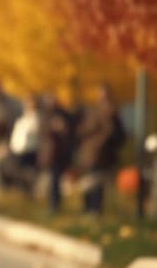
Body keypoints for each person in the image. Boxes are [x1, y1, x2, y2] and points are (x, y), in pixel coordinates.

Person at [78, 84, 126, 214]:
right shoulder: (94, 109)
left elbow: (110, 131)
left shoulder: (110, 111)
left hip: (100, 153)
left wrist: (99, 143)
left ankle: (94, 209)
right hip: (90, 153)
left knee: (96, 182)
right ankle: (88, 208)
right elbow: (84, 129)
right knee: (88, 181)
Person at [38, 96, 78, 213]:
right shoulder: (45, 115)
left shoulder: (64, 115)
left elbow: (70, 131)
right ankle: (53, 206)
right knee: (53, 180)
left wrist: (62, 128)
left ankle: (56, 205)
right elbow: (42, 132)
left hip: (61, 153)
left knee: (58, 180)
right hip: (50, 154)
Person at [2, 94, 40, 194]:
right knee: (6, 166)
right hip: (17, 150)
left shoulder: (37, 118)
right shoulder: (21, 118)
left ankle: (27, 191)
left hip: (31, 151)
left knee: (23, 170)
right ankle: (16, 190)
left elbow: (34, 133)